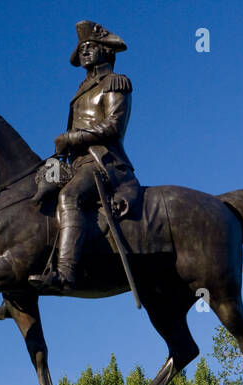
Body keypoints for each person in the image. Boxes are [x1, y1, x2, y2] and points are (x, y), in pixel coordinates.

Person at [28, 20, 140, 293]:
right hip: (75, 163)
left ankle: (66, 273)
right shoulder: (81, 88)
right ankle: (16, 287)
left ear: (106, 51)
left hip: (102, 162)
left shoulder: (115, 82)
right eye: (82, 49)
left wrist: (72, 138)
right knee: (33, 198)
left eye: (91, 47)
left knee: (69, 197)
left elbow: (113, 126)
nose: (85, 52)